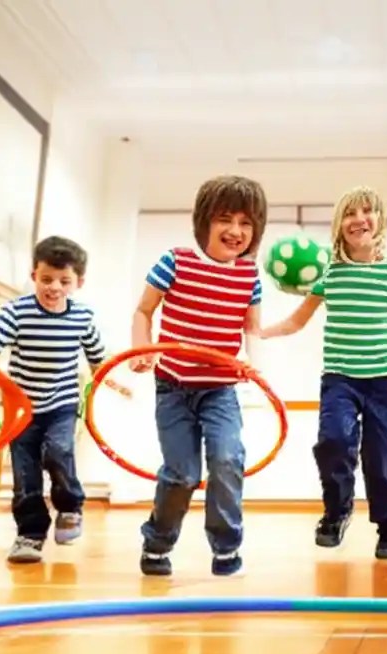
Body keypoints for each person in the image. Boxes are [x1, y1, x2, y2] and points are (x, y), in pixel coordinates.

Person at [260, 186, 387, 559]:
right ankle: (336, 512)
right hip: (340, 379)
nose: (359, 220)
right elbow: (296, 322)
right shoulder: (328, 273)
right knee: (333, 441)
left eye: (367, 212)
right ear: (339, 225)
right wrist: (258, 332)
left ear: (380, 221)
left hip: (385, 379)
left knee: (383, 457)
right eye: (350, 214)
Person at [129, 175, 267, 577]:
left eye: (246, 222)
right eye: (225, 219)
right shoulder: (175, 261)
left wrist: (253, 365)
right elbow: (143, 310)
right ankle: (157, 544)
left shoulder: (249, 276)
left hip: (219, 388)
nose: (236, 231)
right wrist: (141, 350)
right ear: (204, 220)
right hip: (173, 386)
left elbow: (251, 328)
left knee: (227, 457)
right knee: (183, 474)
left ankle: (226, 548)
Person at [0, 236, 106, 564]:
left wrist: (107, 383)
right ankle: (29, 535)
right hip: (21, 408)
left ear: (79, 282)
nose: (54, 287)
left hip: (62, 404)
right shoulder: (16, 312)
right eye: (46, 279)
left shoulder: (82, 317)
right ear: (33, 274)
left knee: (58, 452)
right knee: (25, 474)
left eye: (64, 281)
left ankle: (69, 508)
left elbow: (98, 359)